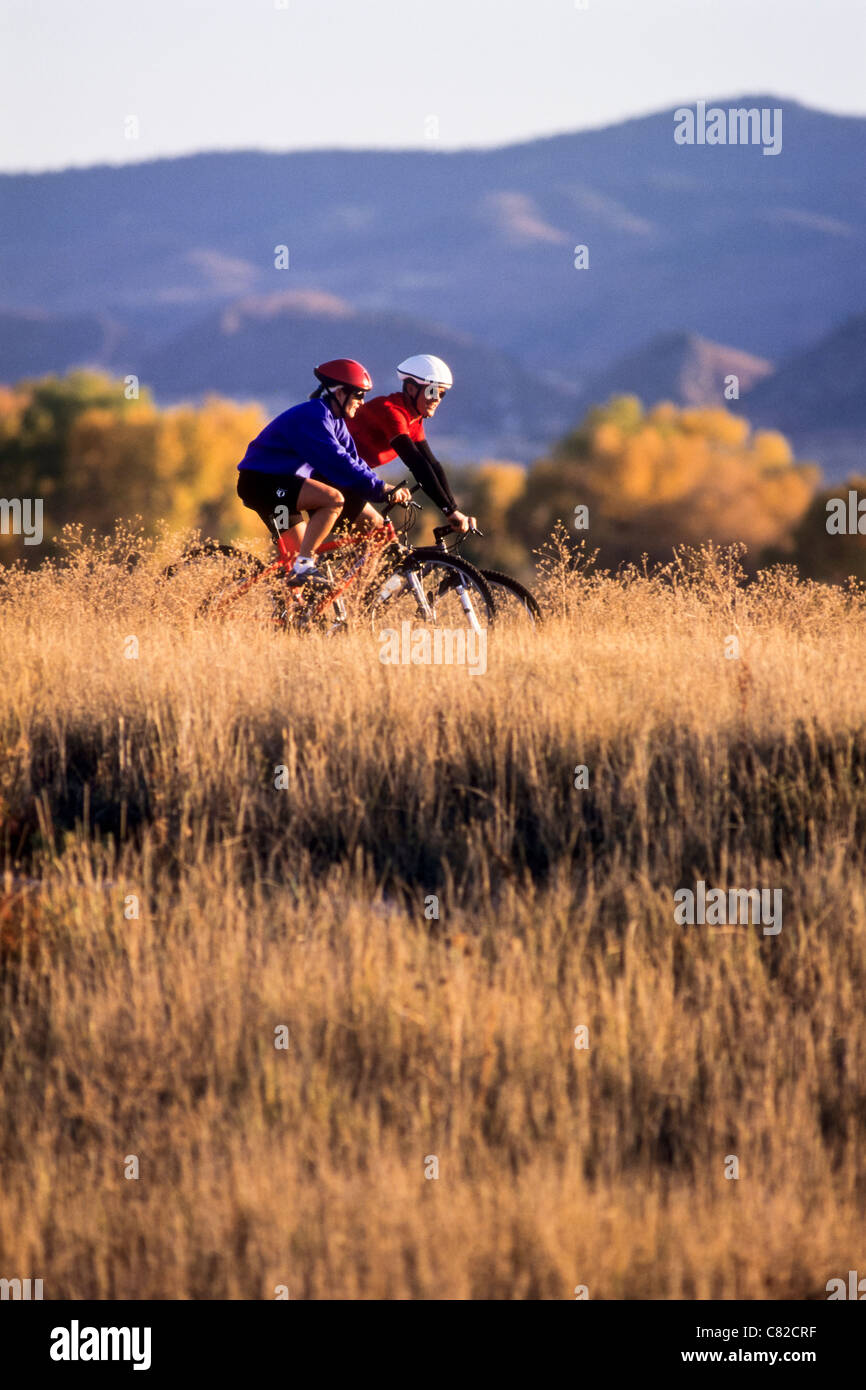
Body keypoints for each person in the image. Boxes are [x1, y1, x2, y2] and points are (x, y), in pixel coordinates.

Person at [236, 359, 410, 584]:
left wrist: (382, 487)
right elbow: (337, 461)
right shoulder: (314, 417)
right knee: (333, 500)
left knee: (297, 556)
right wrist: (378, 489)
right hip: (262, 484)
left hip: (282, 486)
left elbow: (353, 460)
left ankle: (295, 611)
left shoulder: (334, 420)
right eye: (358, 395)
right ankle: (303, 568)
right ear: (339, 393)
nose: (362, 402)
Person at [347, 354, 477, 533]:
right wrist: (450, 511)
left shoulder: (413, 420)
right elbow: (417, 463)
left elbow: (432, 464)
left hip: (350, 475)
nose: (437, 399)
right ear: (411, 388)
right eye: (432, 391)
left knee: (378, 535)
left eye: (442, 394)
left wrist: (452, 509)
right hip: (327, 471)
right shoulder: (392, 411)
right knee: (376, 529)